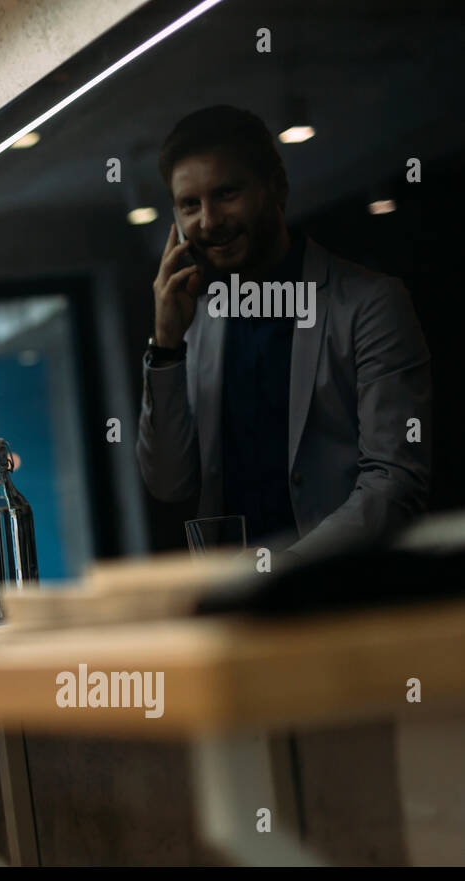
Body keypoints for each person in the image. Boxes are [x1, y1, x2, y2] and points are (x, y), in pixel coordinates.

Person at [137, 105, 432, 559]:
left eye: (227, 193)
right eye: (190, 205)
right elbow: (169, 482)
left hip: (342, 600)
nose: (209, 221)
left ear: (277, 186)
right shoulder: (194, 319)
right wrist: (166, 346)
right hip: (233, 608)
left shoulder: (370, 302)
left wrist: (283, 575)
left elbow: (394, 480)